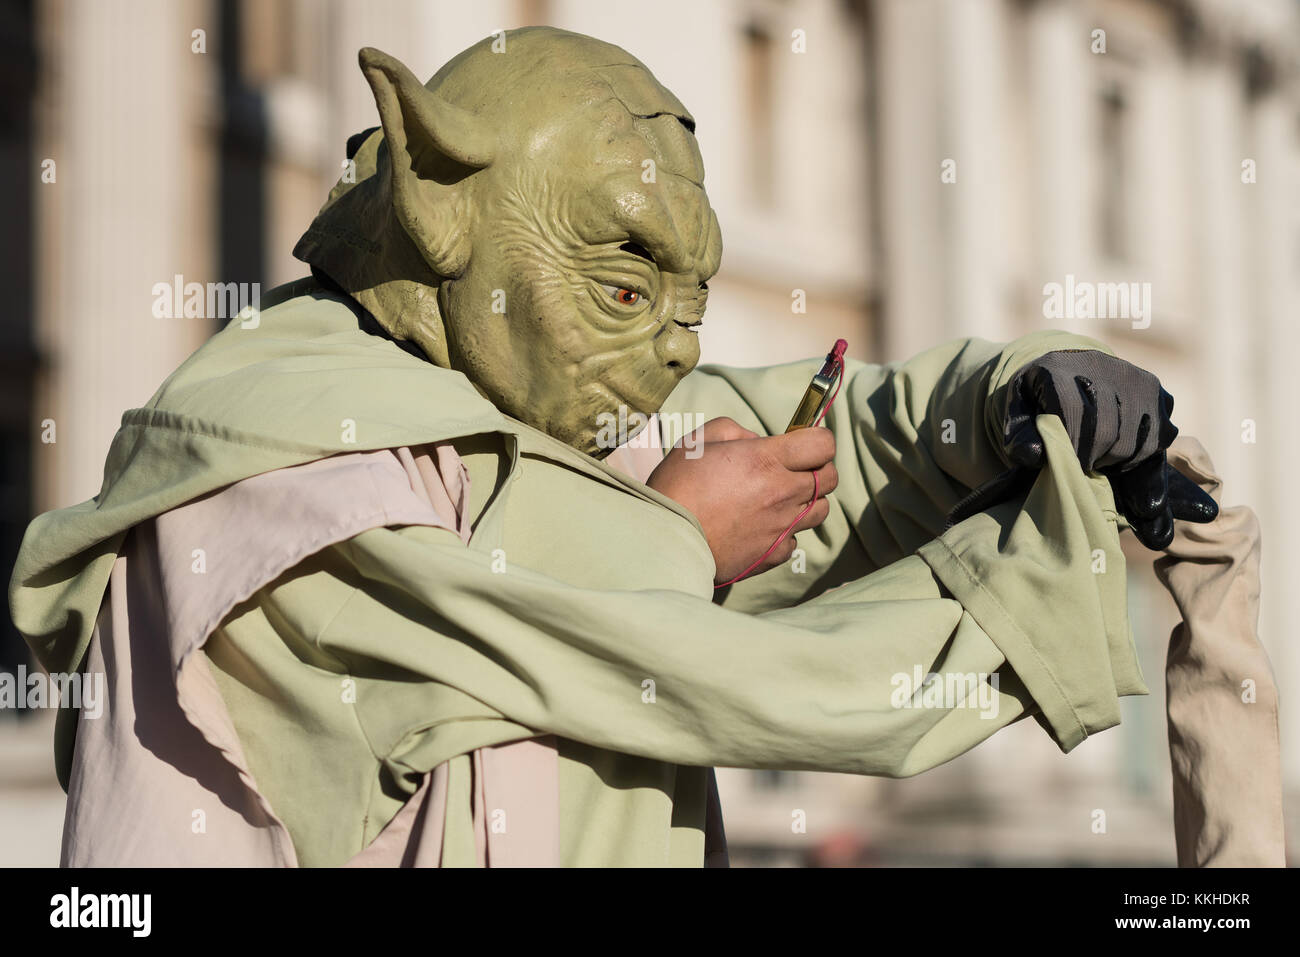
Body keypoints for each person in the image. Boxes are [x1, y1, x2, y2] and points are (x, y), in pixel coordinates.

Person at [11, 27, 1257, 868]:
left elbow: (828, 431)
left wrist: (1007, 392)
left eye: (690, 303)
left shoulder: (504, 392)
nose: (671, 355)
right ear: (445, 209)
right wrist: (682, 534)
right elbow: (731, 673)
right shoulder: (273, 475)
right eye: (622, 291)